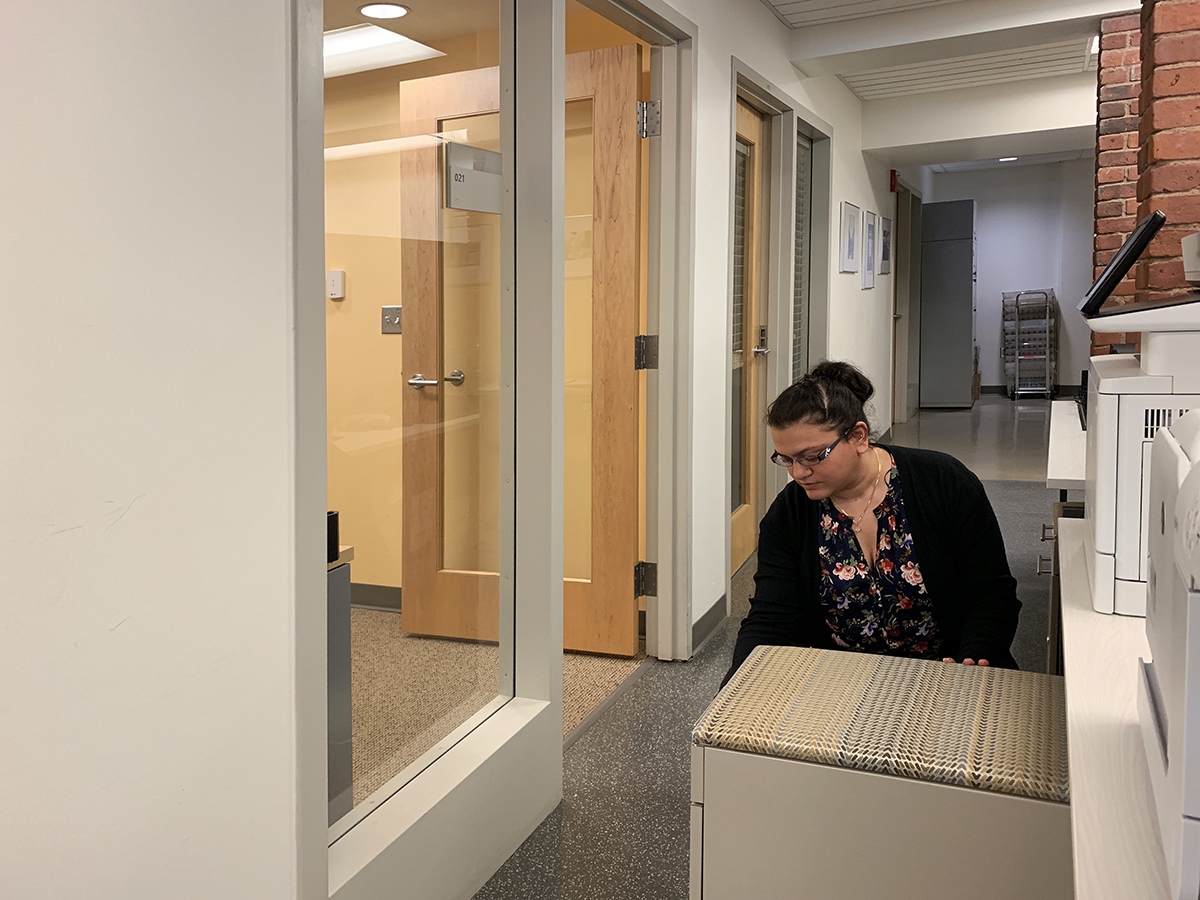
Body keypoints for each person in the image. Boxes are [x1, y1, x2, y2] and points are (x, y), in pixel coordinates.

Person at [725, 360, 1020, 686]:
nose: (798, 473)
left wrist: (971, 660)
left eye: (812, 457)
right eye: (786, 459)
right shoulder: (789, 514)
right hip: (843, 683)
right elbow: (771, 616)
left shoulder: (943, 482)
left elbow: (992, 593)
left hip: (948, 674)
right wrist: (738, 688)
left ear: (859, 437)